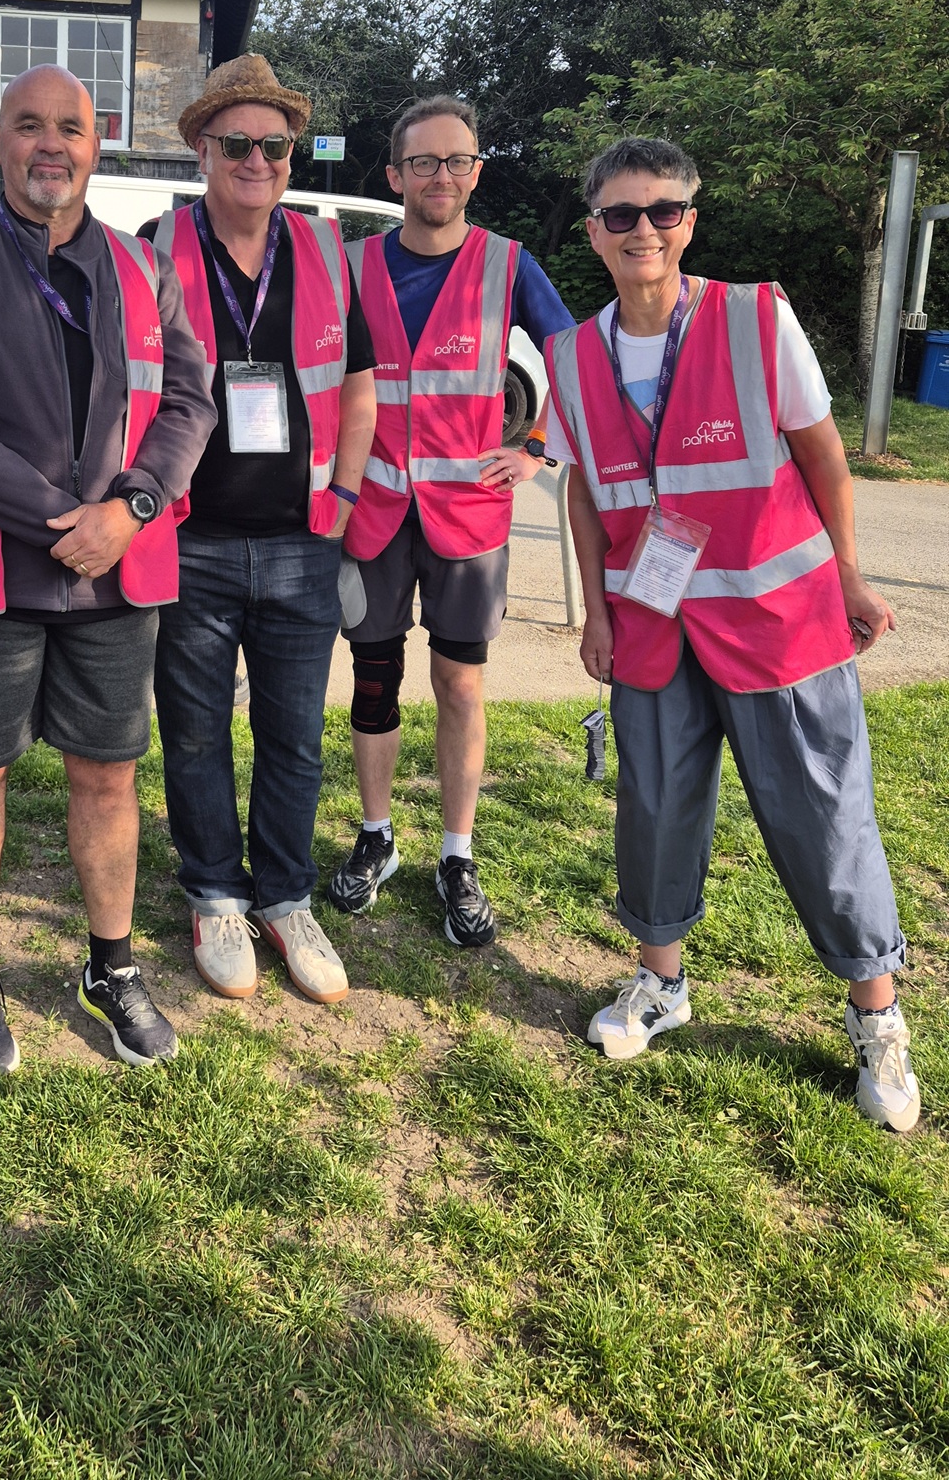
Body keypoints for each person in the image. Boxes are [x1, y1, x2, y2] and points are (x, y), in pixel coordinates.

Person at [544, 135, 919, 1131]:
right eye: (621, 214)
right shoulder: (571, 355)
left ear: (689, 222)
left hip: (778, 623)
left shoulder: (756, 318)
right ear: (595, 231)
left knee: (824, 818)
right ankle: (660, 982)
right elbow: (582, 487)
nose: (643, 229)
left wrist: (848, 572)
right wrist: (596, 610)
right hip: (652, 627)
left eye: (663, 210)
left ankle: (876, 1013)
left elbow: (822, 453)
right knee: (655, 809)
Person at [0, 65, 215, 1078]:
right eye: (29, 124)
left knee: (108, 775)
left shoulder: (145, 268)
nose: (50, 144)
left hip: (119, 572)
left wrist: (130, 509)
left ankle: (111, 966)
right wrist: (59, 523)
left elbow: (190, 402)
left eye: (69, 127)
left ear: (95, 144)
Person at [140, 54, 376, 1006]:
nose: (257, 160)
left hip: (300, 540)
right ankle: (214, 894)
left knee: (293, 739)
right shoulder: (156, 247)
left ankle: (285, 897)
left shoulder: (324, 248)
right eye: (236, 142)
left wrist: (346, 498)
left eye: (274, 146)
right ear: (202, 150)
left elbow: (358, 387)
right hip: (189, 540)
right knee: (195, 734)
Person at [326, 96, 576, 943]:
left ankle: (457, 855)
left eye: (457, 160)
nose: (441, 175)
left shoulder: (509, 264)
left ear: (476, 172)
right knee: (373, 678)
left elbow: (576, 362)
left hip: (469, 516)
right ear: (394, 176)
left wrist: (536, 450)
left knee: (460, 683)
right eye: (423, 162)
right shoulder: (350, 263)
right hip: (371, 510)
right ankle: (376, 836)